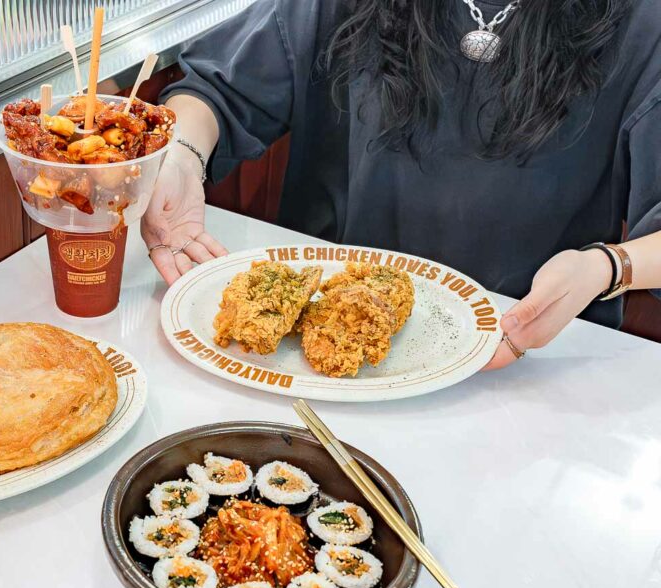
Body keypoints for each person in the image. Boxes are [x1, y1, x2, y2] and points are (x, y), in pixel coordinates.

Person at [142, 0, 661, 369]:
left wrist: (606, 268)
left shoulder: (644, 22)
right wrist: (182, 158)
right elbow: (217, 89)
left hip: (529, 356)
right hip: (310, 356)